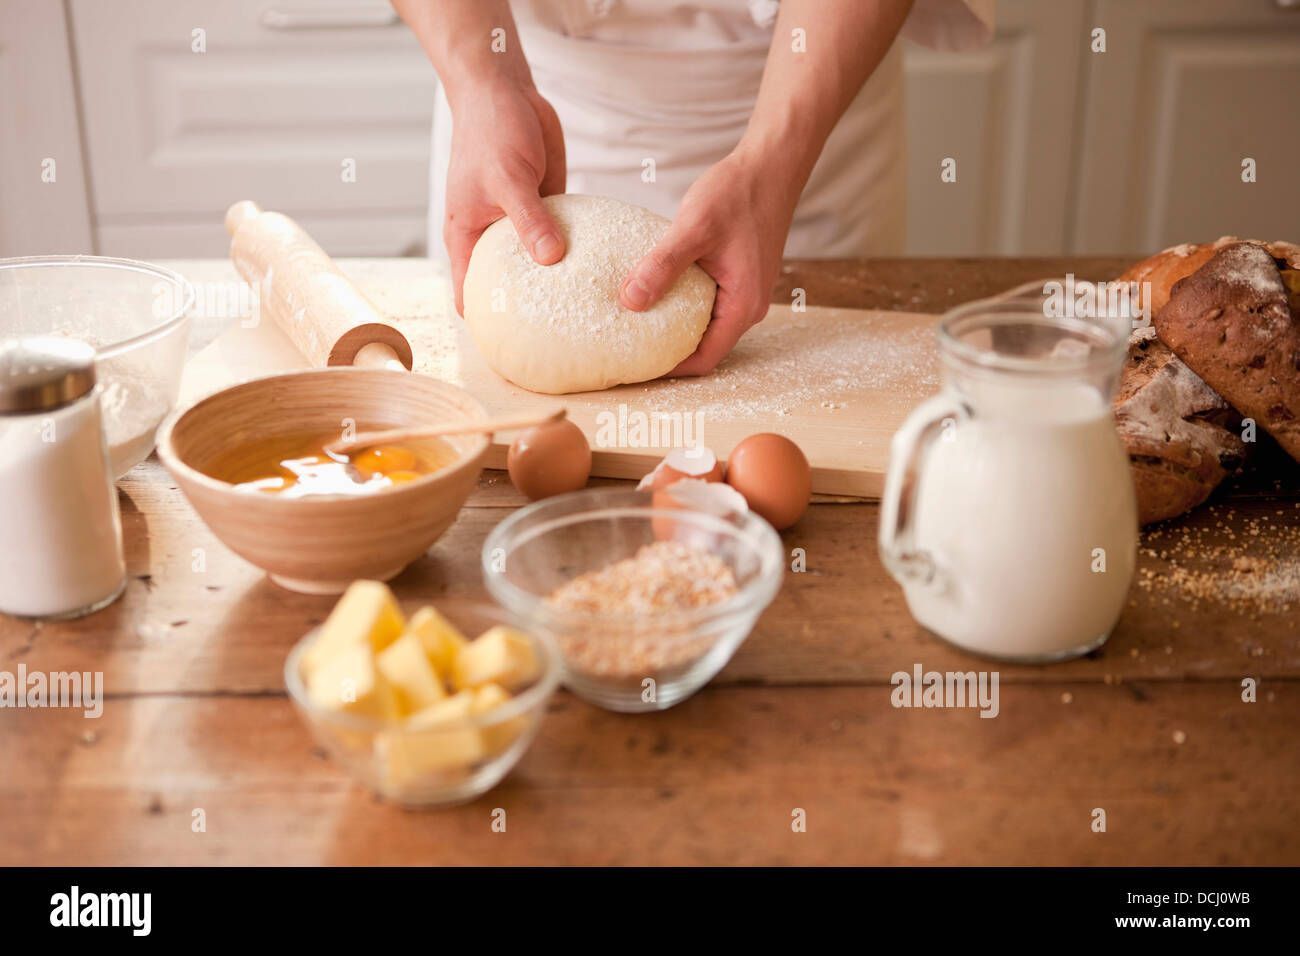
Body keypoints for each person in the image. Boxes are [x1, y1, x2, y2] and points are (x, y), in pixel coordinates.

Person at [394, 0, 993, 375]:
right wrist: (484, 84)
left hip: (805, 106)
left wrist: (773, 168)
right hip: (520, 99)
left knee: (831, 365)